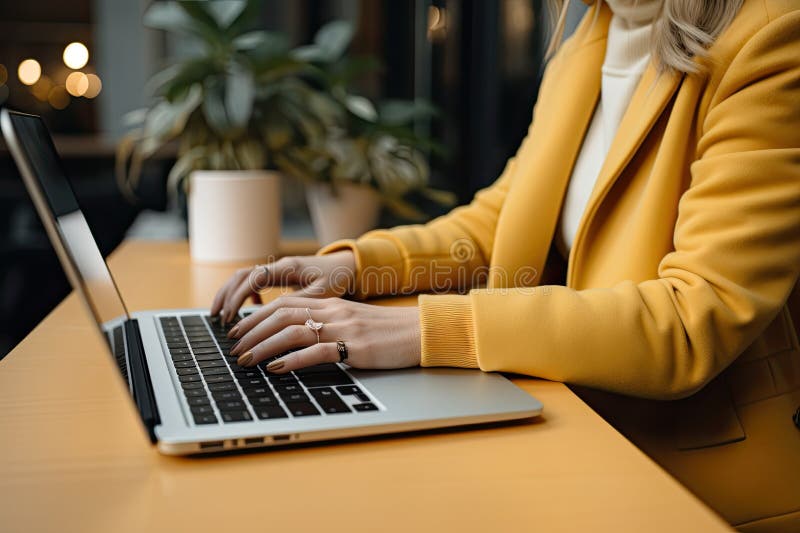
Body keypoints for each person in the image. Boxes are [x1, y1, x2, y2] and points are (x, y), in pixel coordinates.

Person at [211, 0, 800, 529]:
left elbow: (693, 317)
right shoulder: (591, 37)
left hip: (682, 473)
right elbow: (502, 219)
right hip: (570, 418)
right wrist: (354, 264)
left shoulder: (770, 36)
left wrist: (429, 328)